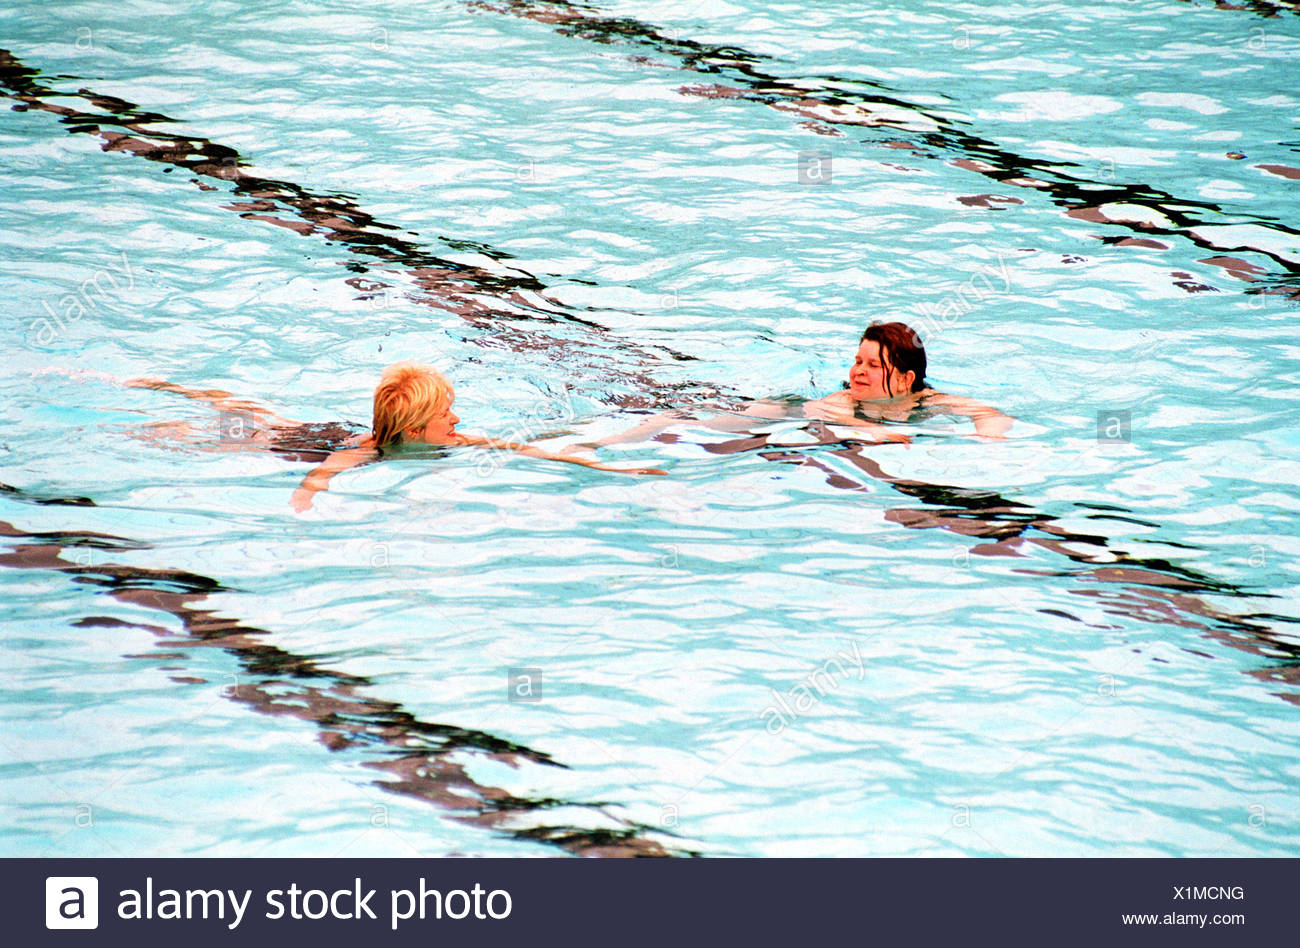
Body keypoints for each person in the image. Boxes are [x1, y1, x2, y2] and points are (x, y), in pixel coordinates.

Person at [123, 362, 663, 512]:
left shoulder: (454, 440)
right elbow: (325, 469)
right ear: (412, 430)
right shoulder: (370, 449)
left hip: (331, 434)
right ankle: (172, 401)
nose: (456, 421)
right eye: (446, 415)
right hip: (311, 444)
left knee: (261, 413)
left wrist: (611, 469)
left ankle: (172, 388)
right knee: (247, 429)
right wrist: (306, 496)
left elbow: (528, 449)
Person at [584, 321, 1011, 448]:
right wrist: (880, 433)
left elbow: (988, 414)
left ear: (904, 379)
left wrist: (989, 441)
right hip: (780, 408)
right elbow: (855, 424)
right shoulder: (844, 402)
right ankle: (596, 443)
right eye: (856, 361)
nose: (857, 372)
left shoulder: (929, 398)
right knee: (688, 418)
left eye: (871, 365)